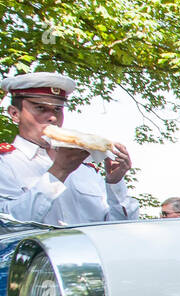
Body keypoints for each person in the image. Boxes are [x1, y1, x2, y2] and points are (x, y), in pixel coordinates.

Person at [0, 72, 138, 224]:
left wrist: (115, 183)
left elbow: (119, 227)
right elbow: (8, 225)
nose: (52, 118)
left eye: (57, 110)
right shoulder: (5, 163)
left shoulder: (85, 167)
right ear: (14, 113)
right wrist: (58, 171)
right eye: (40, 108)